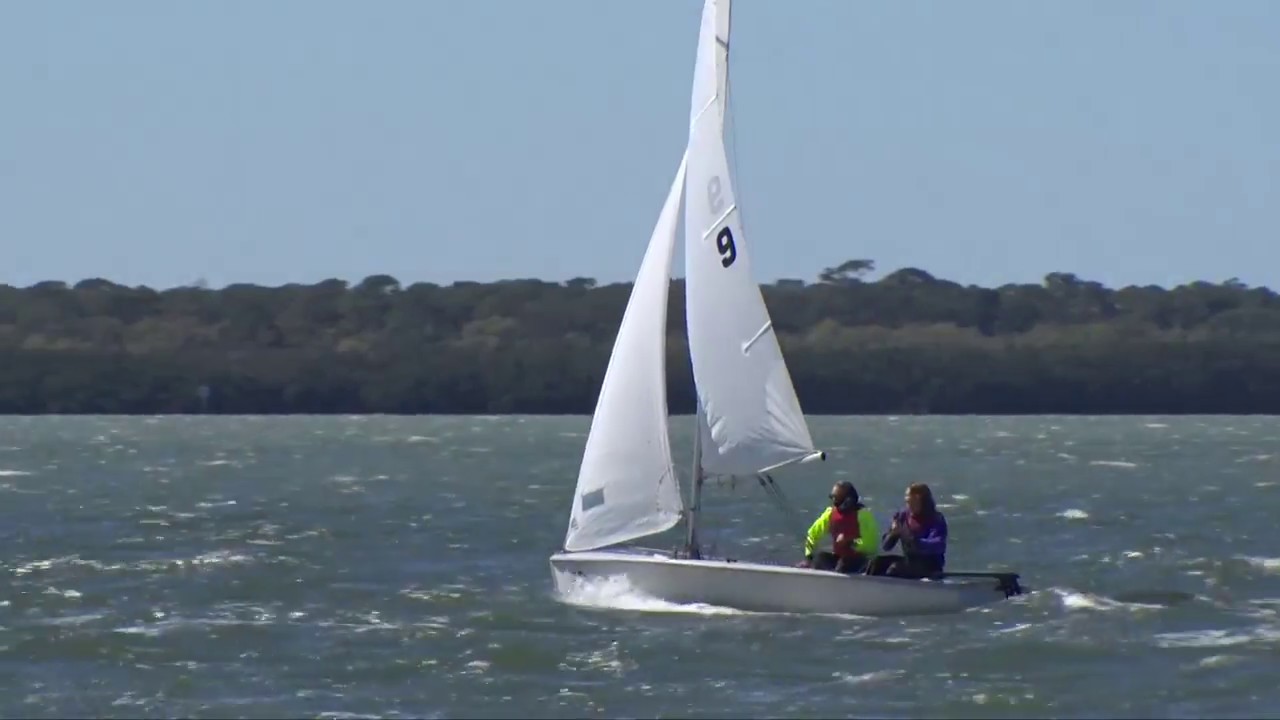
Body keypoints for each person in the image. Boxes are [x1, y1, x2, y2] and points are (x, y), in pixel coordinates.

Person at [797, 481, 879, 574]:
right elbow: (812, 535)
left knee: (844, 563)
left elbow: (870, 544)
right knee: (820, 558)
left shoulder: (863, 516)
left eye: (836, 498)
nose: (833, 501)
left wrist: (850, 541)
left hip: (861, 560)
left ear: (848, 500)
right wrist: (809, 557)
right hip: (839, 558)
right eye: (832, 497)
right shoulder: (830, 514)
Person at [879, 482, 948, 579]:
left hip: (930, 566)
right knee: (876, 564)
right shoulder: (902, 516)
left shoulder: (936, 519)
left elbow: (938, 545)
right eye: (907, 501)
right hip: (910, 561)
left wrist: (914, 540)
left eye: (911, 501)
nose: (909, 504)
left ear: (920, 500)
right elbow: (886, 546)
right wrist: (893, 534)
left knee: (895, 569)